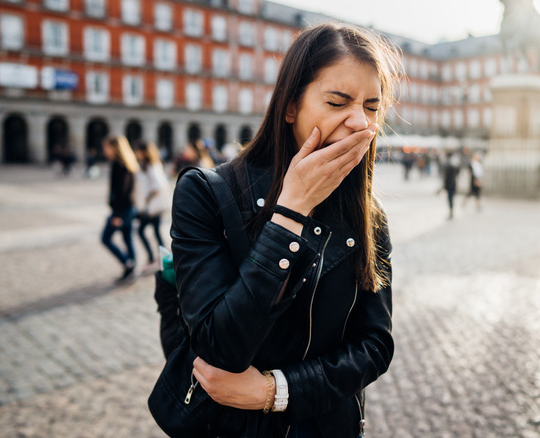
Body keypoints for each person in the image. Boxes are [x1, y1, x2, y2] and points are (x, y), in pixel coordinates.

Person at [168, 23, 401, 437]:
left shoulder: (368, 214)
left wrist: (275, 391)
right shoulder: (205, 194)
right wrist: (291, 210)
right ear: (290, 106)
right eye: (337, 102)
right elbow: (219, 346)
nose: (358, 122)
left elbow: (375, 344)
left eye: (370, 106)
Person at [101, 135, 140, 282]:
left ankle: (127, 263)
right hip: (128, 208)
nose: (105, 150)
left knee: (105, 238)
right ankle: (131, 268)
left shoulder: (119, 165)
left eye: (107, 147)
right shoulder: (128, 163)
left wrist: (117, 214)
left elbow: (122, 192)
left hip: (121, 210)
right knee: (127, 238)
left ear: (115, 148)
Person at [134, 140, 171, 271]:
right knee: (156, 232)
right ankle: (162, 258)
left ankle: (154, 258)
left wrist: (147, 197)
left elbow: (158, 185)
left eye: (138, 151)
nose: (136, 153)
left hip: (152, 207)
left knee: (142, 231)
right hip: (151, 206)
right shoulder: (147, 165)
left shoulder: (150, 165)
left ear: (144, 152)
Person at [439, 151, 460, 219]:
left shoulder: (447, 164)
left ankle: (451, 212)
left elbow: (446, 176)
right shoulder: (453, 163)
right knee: (451, 198)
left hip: (449, 184)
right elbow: (457, 172)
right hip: (453, 183)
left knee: (450, 198)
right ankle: (451, 212)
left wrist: (444, 185)